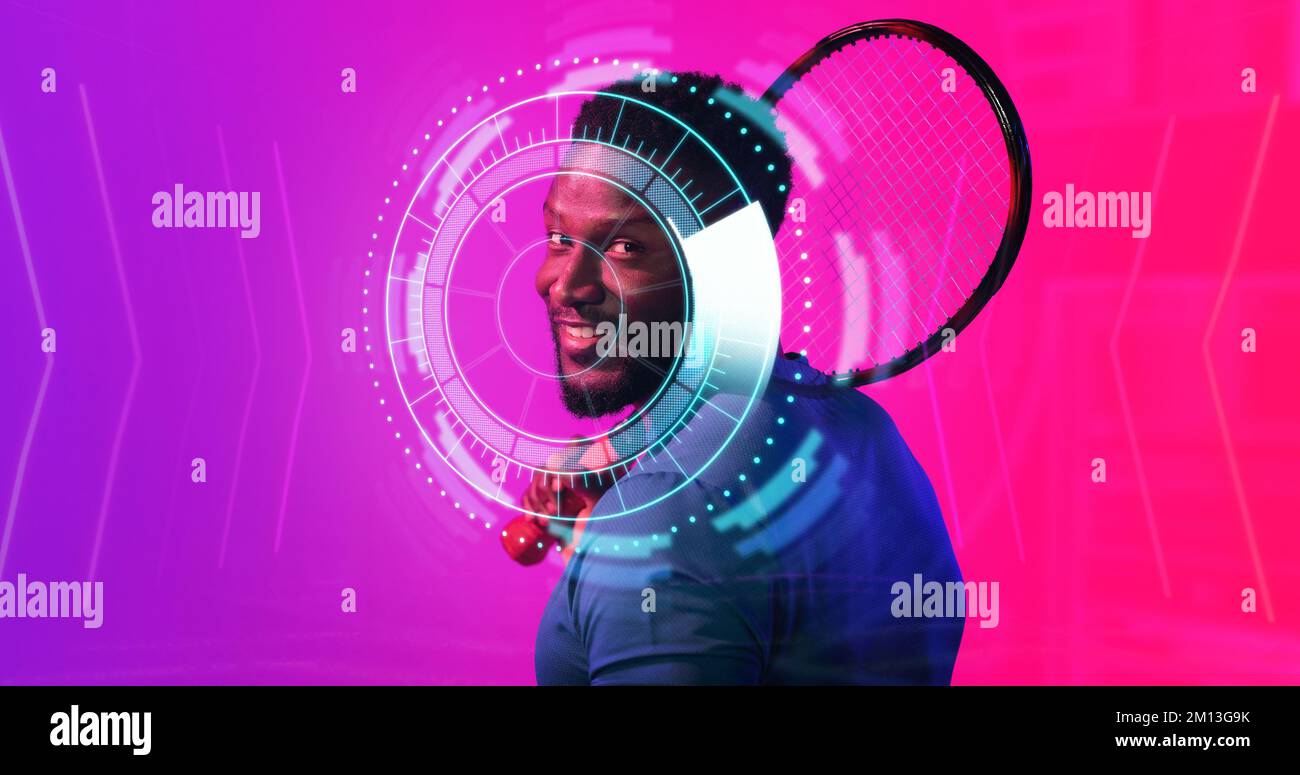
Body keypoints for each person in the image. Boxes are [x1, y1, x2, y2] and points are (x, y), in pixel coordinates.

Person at [523, 72, 964, 685]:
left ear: (727, 263)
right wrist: (601, 546)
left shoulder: (664, 519)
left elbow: (686, 579)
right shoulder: (869, 436)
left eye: (626, 246)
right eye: (559, 236)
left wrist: (632, 534)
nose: (566, 285)